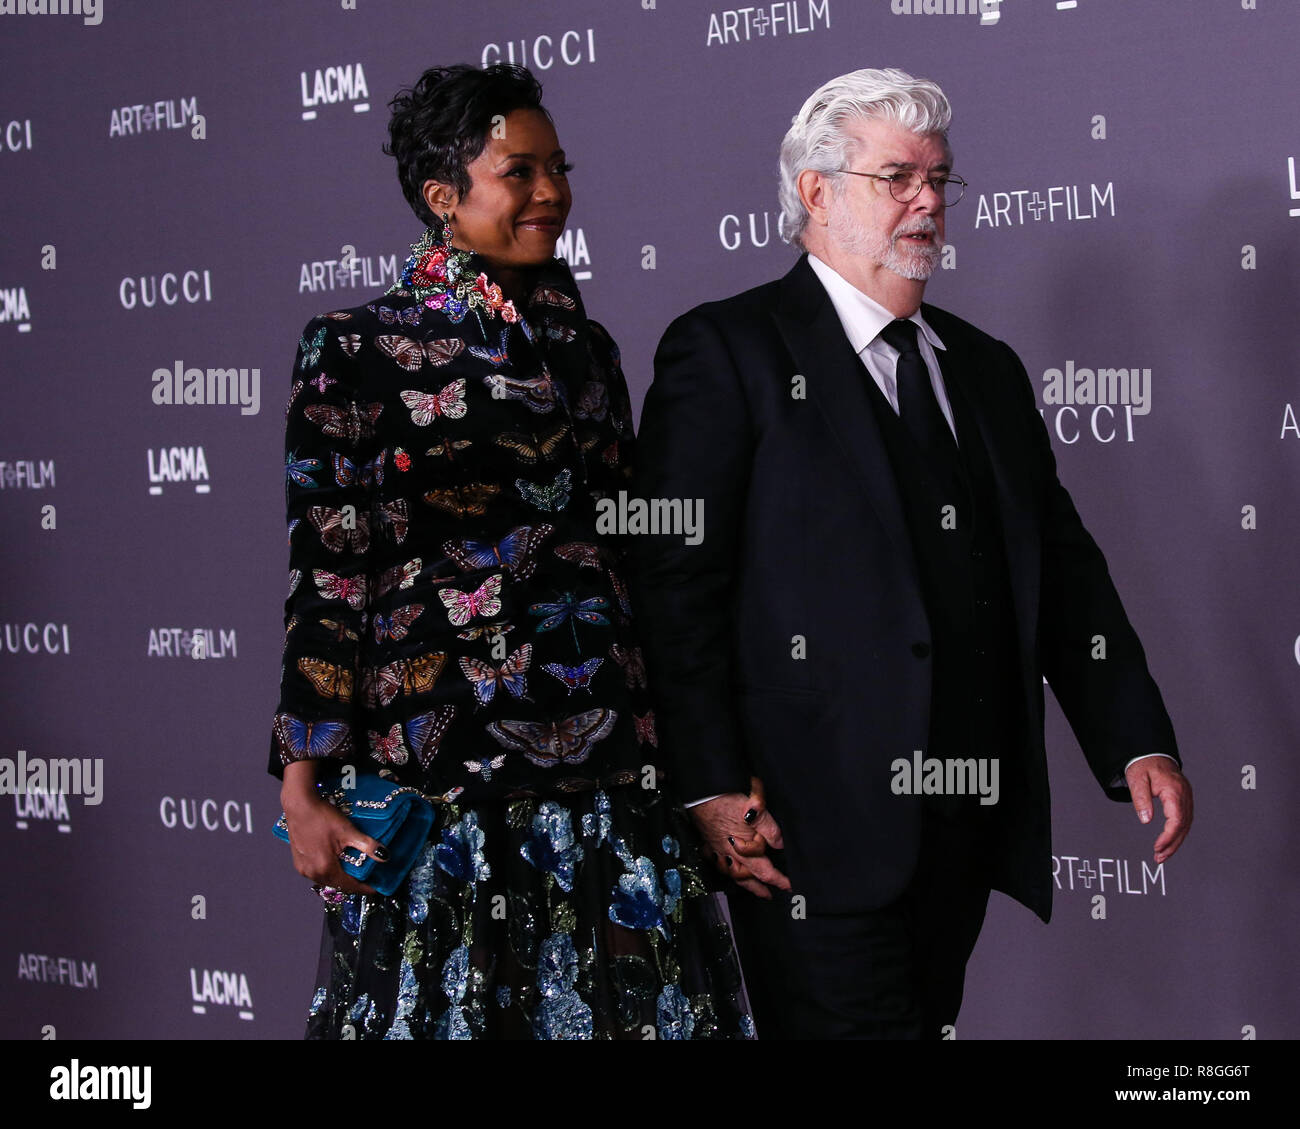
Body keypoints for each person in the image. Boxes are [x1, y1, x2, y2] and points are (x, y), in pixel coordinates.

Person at [630, 67, 1193, 1039]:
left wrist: (1133, 734)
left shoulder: (982, 368)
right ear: (816, 191)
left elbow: (1057, 571)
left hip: (960, 829)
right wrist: (708, 782)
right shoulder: (725, 352)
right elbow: (672, 584)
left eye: (938, 178)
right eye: (897, 177)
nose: (927, 201)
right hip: (801, 831)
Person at [268, 62, 750, 1040]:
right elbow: (330, 573)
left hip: (609, 778)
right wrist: (301, 780)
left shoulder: (587, 348)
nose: (551, 193)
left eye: (557, 169)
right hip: (445, 778)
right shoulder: (354, 347)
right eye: (518, 172)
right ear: (442, 197)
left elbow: (628, 559)